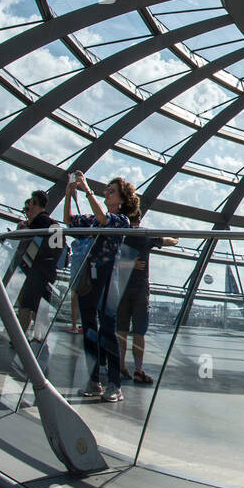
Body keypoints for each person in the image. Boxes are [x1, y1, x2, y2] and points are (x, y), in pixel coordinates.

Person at [64, 171, 135, 403]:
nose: (107, 193)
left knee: (107, 329)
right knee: (90, 329)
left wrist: (86, 188)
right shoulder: (96, 218)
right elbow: (69, 220)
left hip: (107, 276)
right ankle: (94, 381)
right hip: (90, 277)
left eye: (111, 190)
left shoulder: (121, 221)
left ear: (122, 199)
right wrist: (68, 194)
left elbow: (104, 220)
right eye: (106, 190)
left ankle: (114, 383)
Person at [115, 214, 177, 385]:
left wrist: (128, 265)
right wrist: (176, 238)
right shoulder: (146, 235)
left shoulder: (120, 235)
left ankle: (120, 366)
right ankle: (138, 370)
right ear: (139, 219)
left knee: (121, 329)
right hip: (140, 289)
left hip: (122, 288)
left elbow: (112, 261)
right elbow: (168, 241)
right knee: (139, 332)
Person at [15, 190, 61, 343]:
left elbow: (25, 235)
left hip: (37, 270)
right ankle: (40, 337)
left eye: (30, 206)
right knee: (40, 307)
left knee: (26, 304)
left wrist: (22, 227)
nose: (28, 211)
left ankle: (20, 338)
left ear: (36, 204)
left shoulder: (40, 221)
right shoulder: (52, 222)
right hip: (49, 270)